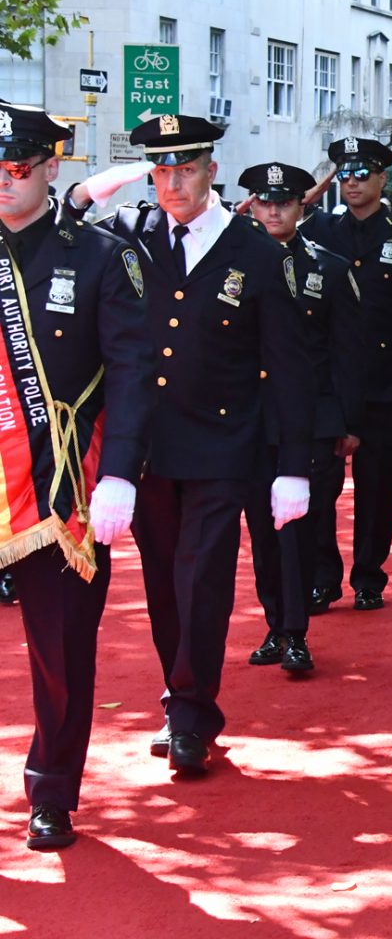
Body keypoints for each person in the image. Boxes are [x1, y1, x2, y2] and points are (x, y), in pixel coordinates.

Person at [70, 114, 313, 776]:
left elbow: (289, 366)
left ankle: (189, 711)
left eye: (185, 167)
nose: (172, 181)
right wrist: (85, 195)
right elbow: (58, 239)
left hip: (223, 443)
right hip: (146, 446)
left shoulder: (256, 251)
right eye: (160, 169)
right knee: (162, 584)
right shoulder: (128, 235)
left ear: (210, 169)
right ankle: (182, 697)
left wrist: (293, 465)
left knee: (201, 576)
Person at [0, 101, 150, 847]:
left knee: (61, 650)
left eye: (17, 166)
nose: (3, 181)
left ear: (51, 166)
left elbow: (130, 371)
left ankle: (51, 789)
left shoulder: (96, 256)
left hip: (61, 482)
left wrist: (120, 471)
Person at [300, 137, 392, 614]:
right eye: (345, 173)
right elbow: (261, 218)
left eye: (363, 173)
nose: (353, 182)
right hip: (328, 385)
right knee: (320, 487)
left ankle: (369, 575)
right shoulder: (319, 230)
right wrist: (309, 196)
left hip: (383, 380)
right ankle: (322, 575)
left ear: (382, 178)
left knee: (378, 487)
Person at [236, 161, 365, 674]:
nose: (273, 211)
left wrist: (347, 423)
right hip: (249, 418)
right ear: (251, 205)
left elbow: (346, 353)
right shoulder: (233, 265)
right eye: (264, 202)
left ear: (302, 206)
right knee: (263, 531)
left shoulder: (328, 268)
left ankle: (296, 632)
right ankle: (275, 625)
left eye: (284, 202)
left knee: (301, 527)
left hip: (311, 418)